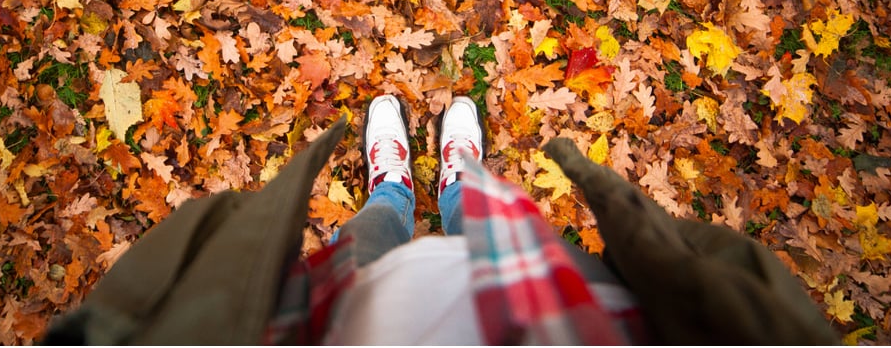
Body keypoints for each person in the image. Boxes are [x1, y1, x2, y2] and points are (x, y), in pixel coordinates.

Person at [43, 94, 838, 345]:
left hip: (338, 321)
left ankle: (397, 191)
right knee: (480, 213)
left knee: (369, 235)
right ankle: (456, 180)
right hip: (573, 312)